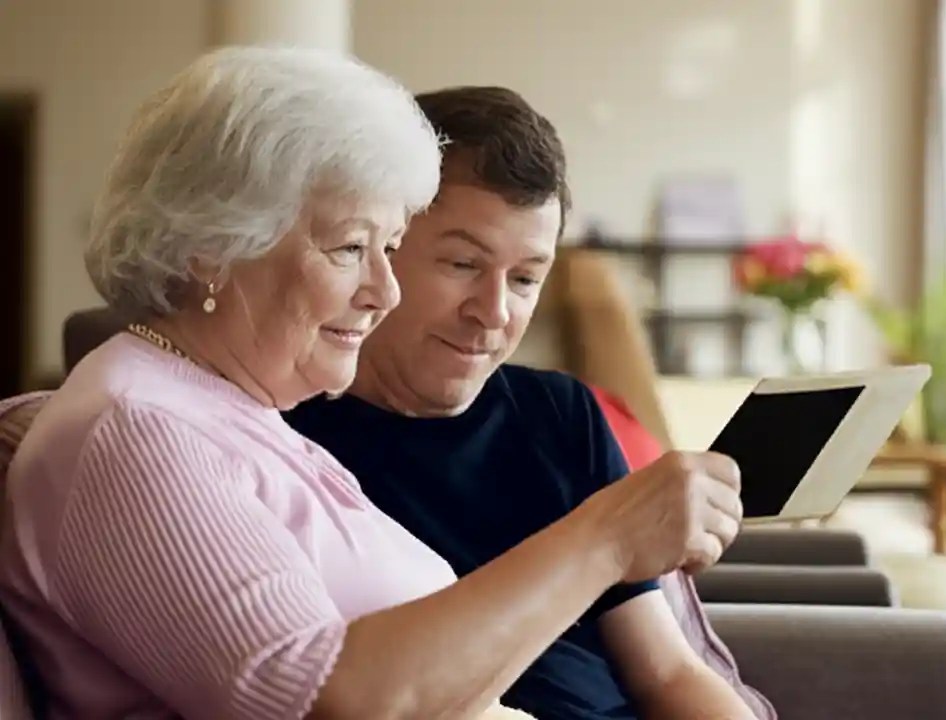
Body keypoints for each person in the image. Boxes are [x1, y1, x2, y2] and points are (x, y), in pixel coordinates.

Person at [0, 49, 743, 720]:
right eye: (353, 248)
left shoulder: (236, 414)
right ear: (213, 249)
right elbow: (332, 705)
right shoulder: (138, 431)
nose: (383, 292)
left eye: (389, 248)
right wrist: (607, 537)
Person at [285, 87, 762, 719]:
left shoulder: (561, 413)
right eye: (461, 263)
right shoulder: (288, 437)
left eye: (525, 279)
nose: (494, 313)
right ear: (380, 247)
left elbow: (668, 671)